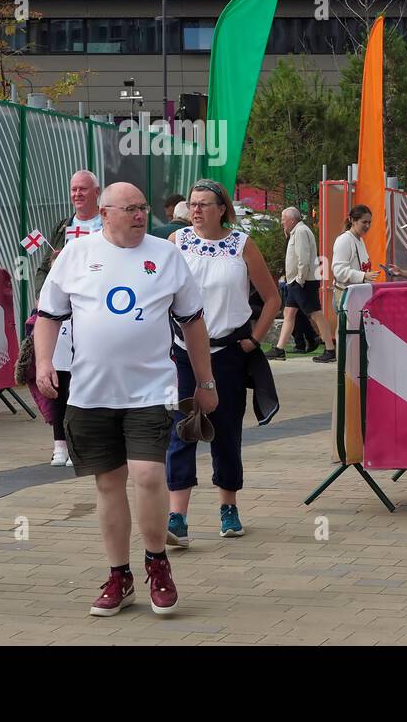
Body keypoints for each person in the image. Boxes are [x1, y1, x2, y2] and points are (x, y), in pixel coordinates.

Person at [34, 182, 215, 617]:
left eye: (143, 208)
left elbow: (192, 322)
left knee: (149, 474)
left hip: (150, 391)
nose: (139, 215)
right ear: (106, 212)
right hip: (91, 393)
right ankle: (120, 575)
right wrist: (43, 363)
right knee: (108, 483)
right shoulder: (75, 255)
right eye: (130, 209)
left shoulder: (166, 255)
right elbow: (48, 315)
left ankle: (157, 563)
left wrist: (205, 382)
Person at [165, 179, 280, 546]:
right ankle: (177, 516)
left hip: (228, 351)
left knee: (226, 430)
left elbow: (272, 297)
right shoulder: (177, 243)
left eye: (204, 204)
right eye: (192, 204)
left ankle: (228, 506)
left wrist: (254, 339)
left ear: (222, 209)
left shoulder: (241, 244)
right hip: (183, 350)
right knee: (183, 428)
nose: (196, 211)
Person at [33, 169, 103, 465]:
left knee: (86, 377)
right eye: (74, 189)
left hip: (95, 313)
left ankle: (82, 441)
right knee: (58, 377)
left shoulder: (106, 225)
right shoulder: (63, 226)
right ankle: (59, 442)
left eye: (83, 189)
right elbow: (43, 270)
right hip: (63, 317)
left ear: (96, 193)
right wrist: (42, 297)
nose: (77, 194)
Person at [267, 207, 335, 363]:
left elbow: (303, 258)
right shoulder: (296, 231)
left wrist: (300, 280)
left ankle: (330, 349)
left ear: (292, 220)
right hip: (296, 281)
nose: (282, 222)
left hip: (303, 282)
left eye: (283, 219)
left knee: (315, 314)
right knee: (289, 313)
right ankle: (279, 349)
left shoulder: (301, 232)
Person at [331, 204, 377, 293]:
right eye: (364, 222)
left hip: (355, 295)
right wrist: (363, 276)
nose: (367, 226)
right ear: (353, 221)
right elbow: (339, 272)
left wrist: (367, 274)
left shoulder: (359, 239)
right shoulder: (345, 239)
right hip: (346, 296)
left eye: (369, 222)